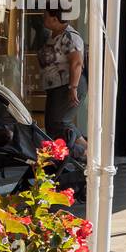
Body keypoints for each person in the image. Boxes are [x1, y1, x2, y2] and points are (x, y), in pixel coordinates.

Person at [37, 8, 88, 156]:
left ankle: (84, 154)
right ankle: (89, 152)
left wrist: (73, 88)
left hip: (68, 85)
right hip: (55, 87)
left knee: (60, 123)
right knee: (54, 124)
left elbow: (76, 63)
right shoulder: (52, 35)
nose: (43, 19)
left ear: (55, 19)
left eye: (46, 16)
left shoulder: (70, 37)